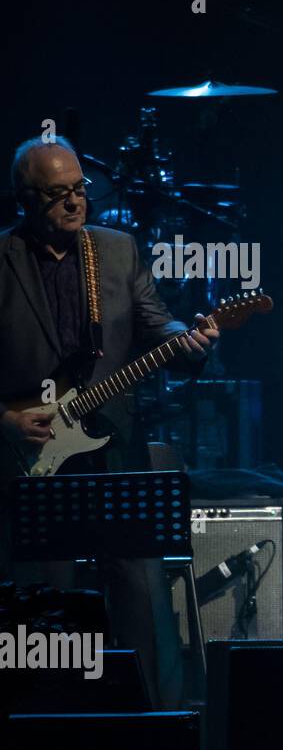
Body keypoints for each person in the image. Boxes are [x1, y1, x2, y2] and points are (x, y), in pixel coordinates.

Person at [0, 136, 220, 706]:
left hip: (114, 445)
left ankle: (164, 731)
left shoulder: (117, 251)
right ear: (25, 199)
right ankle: (39, 736)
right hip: (31, 457)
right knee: (42, 605)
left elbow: (158, 324)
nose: (75, 203)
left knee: (143, 597)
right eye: (57, 194)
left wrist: (190, 341)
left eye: (80, 189)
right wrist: (5, 421)